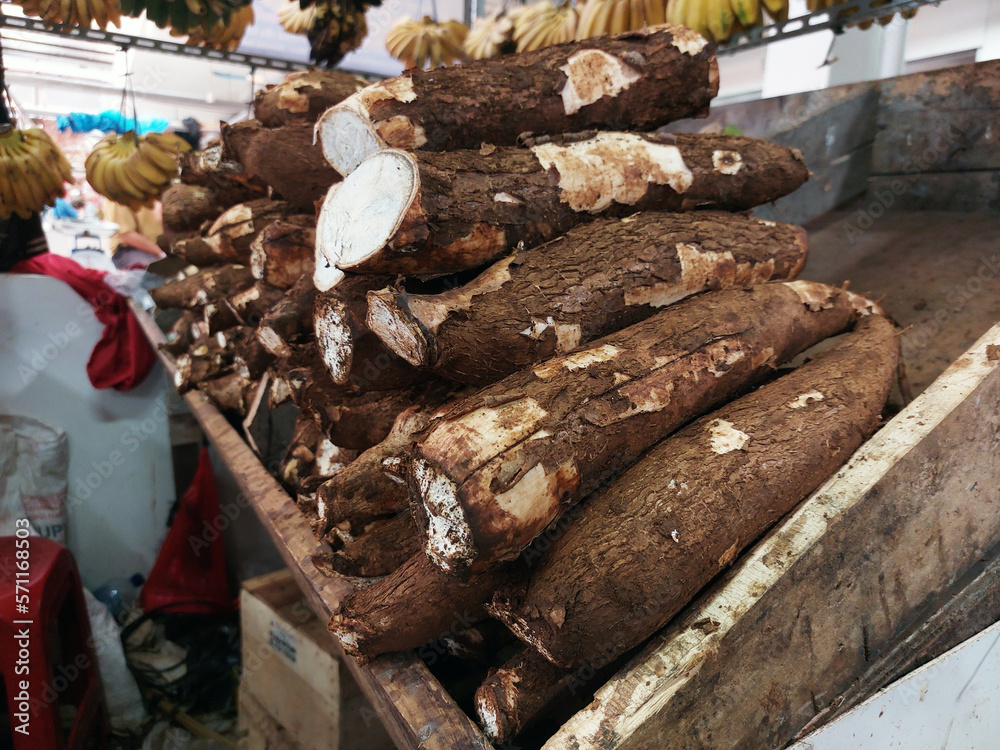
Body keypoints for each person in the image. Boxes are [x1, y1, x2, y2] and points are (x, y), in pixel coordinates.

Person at [102, 198, 166, 270]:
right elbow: (127, 235)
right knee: (154, 271)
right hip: (129, 249)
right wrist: (161, 253)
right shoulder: (117, 197)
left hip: (160, 244)